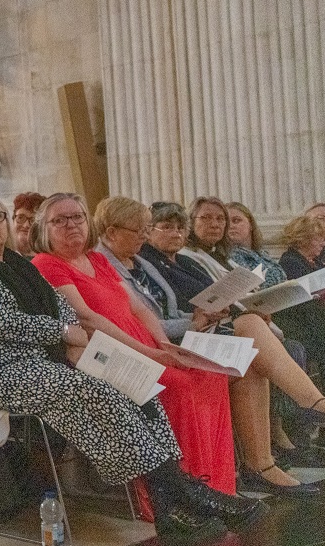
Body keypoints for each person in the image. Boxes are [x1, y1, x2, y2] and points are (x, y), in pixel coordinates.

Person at [0, 196, 239, 544]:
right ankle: (185, 490)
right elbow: (0, 322)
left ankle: (167, 509)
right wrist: (62, 332)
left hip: (49, 365)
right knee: (97, 391)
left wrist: (69, 331)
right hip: (4, 371)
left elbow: (63, 308)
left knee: (139, 387)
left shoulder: (21, 266)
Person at [29, 194, 257, 520]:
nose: (71, 225)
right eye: (59, 220)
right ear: (44, 227)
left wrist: (164, 344)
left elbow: (137, 306)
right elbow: (87, 319)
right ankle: (178, 495)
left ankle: (216, 487)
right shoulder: (46, 263)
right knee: (177, 385)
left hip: (141, 340)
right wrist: (150, 353)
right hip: (104, 349)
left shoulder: (97, 258)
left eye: (77, 217)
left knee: (211, 375)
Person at [98, 197, 325, 495]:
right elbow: (145, 323)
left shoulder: (139, 261)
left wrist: (199, 316)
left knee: (249, 351)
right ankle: (309, 407)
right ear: (112, 231)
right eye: (140, 229)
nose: (144, 235)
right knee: (249, 328)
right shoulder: (108, 265)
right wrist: (193, 322)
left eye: (146, 228)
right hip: (158, 346)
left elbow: (170, 310)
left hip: (182, 335)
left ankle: (263, 464)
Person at [275, 214, 325, 397]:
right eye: (319, 238)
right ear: (304, 238)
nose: (323, 244)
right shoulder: (290, 262)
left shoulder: (316, 262)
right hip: (307, 325)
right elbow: (301, 301)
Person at [11, 191, 46, 258]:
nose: (26, 225)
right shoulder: (2, 256)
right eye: (20, 217)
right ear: (13, 219)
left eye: (33, 220)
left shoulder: (49, 258)